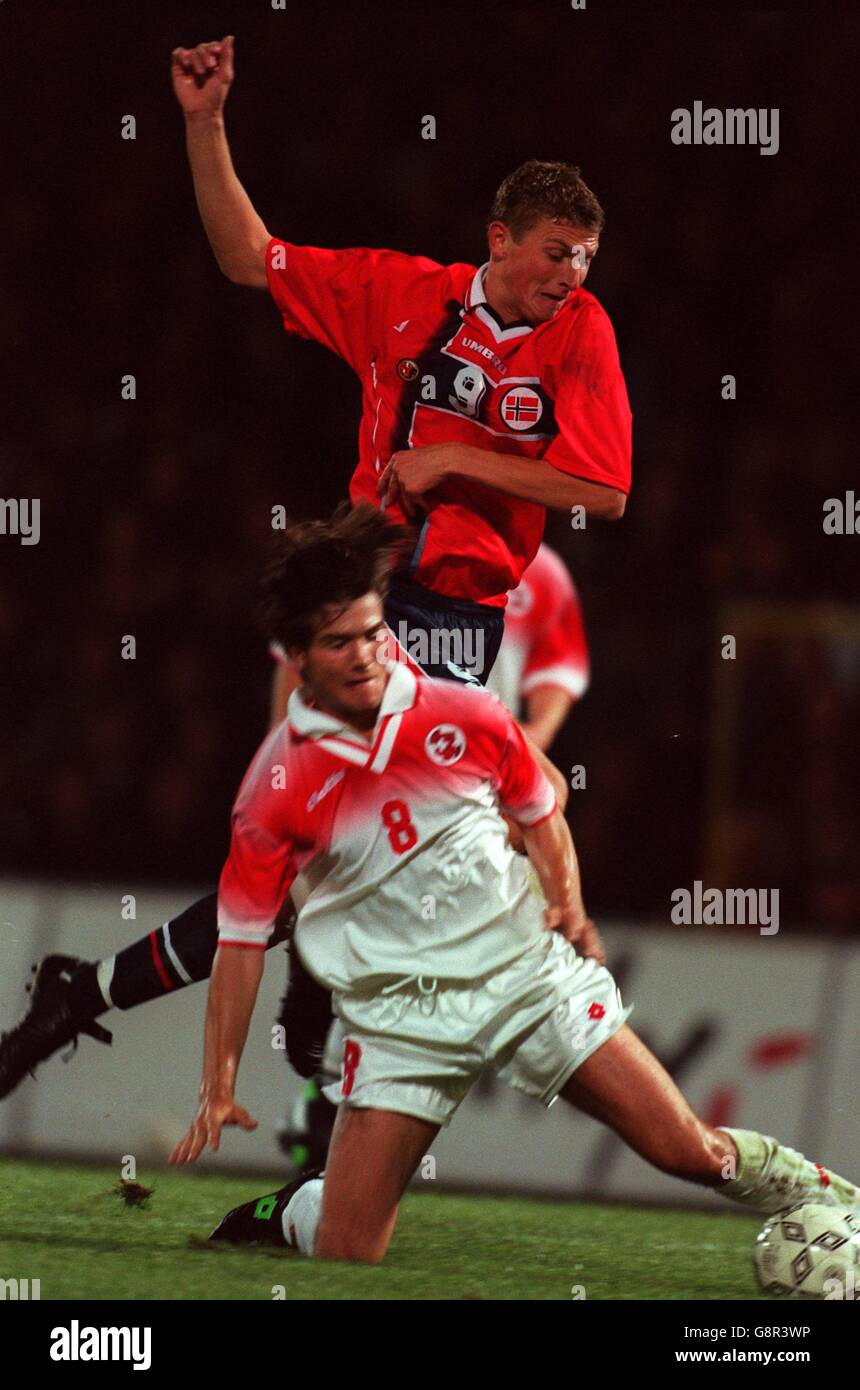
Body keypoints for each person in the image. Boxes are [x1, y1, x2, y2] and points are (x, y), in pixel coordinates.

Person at [170, 506, 860, 1265]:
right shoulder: (278, 783)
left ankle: (832, 1201)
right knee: (348, 1258)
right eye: (340, 643)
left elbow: (542, 808)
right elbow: (239, 943)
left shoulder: (460, 708)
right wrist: (220, 1079)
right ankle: (299, 1210)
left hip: (526, 976)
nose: (367, 656)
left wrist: (568, 901)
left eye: (374, 633)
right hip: (403, 1020)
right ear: (298, 655)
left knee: (687, 1151)